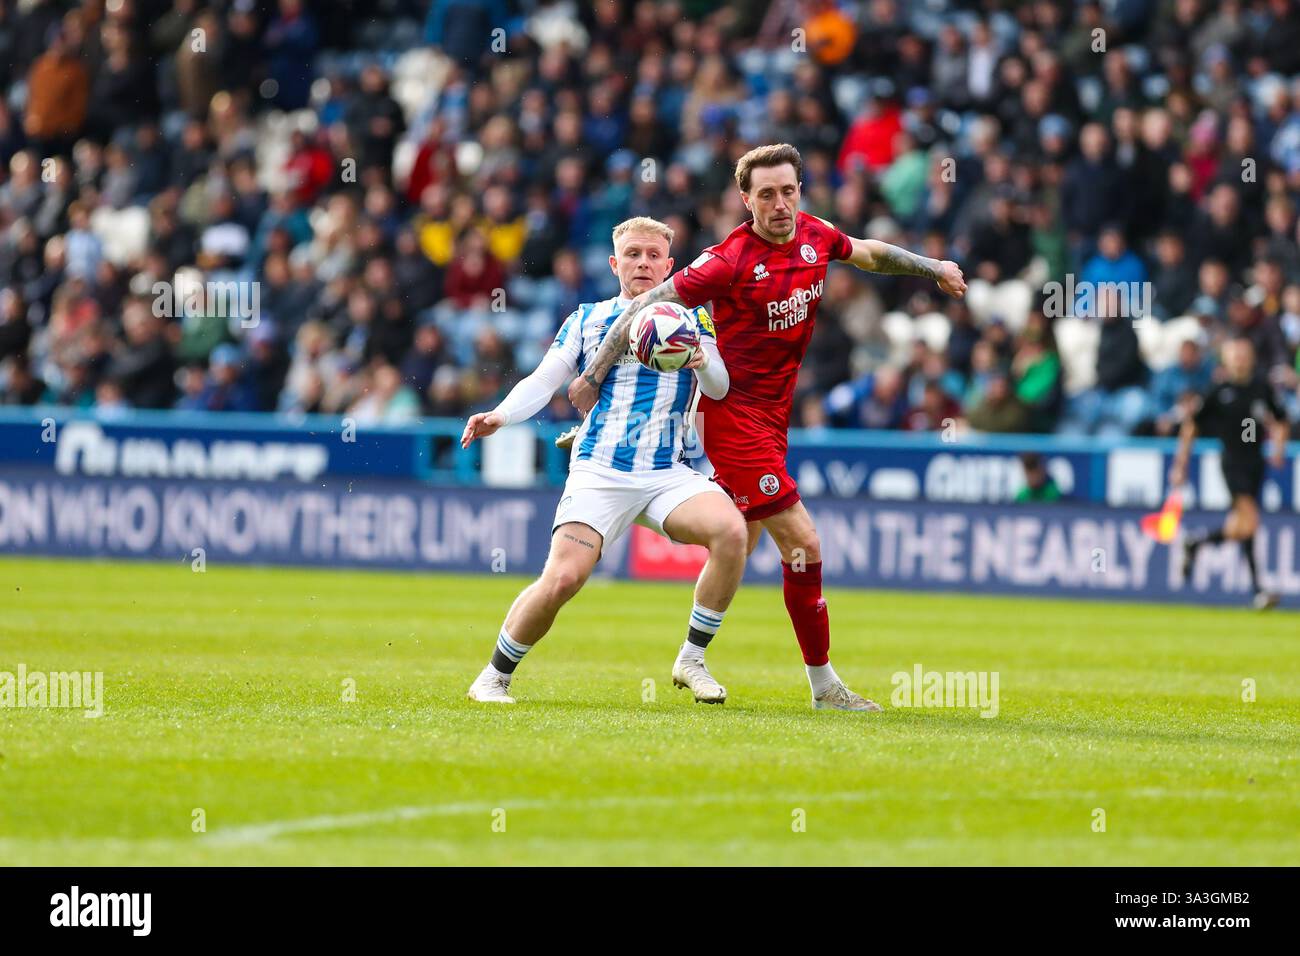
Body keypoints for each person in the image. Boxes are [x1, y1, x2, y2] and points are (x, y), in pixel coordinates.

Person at [568, 144, 966, 712]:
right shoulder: (727, 260)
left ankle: (690, 657)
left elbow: (869, 254)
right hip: (732, 416)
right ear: (745, 199)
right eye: (766, 195)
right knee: (802, 542)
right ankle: (826, 687)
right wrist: (593, 375)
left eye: (788, 191)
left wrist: (932, 267)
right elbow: (644, 306)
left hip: (774, 417)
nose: (780, 204)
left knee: (743, 539)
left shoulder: (815, 235)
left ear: (800, 190)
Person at [461, 217, 747, 704]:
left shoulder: (692, 319)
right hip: (599, 470)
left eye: (654, 255)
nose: (643, 263)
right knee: (564, 578)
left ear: (669, 265)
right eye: (633, 254)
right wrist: (501, 414)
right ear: (615, 263)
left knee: (732, 533)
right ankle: (493, 676)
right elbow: (546, 378)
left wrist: (703, 359)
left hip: (664, 474)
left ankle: (692, 659)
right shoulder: (587, 318)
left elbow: (719, 388)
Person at [1171, 338, 1289, 610]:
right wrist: (1181, 463)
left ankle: (1196, 543)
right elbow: (1192, 426)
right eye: (1234, 355)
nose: (1239, 359)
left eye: (1243, 354)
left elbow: (1281, 418)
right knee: (1250, 520)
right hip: (1232, 463)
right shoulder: (1218, 390)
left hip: (1256, 463)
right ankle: (1258, 588)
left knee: (1240, 526)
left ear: (1250, 358)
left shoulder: (1261, 388)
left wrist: (1279, 449)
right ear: (1226, 359)